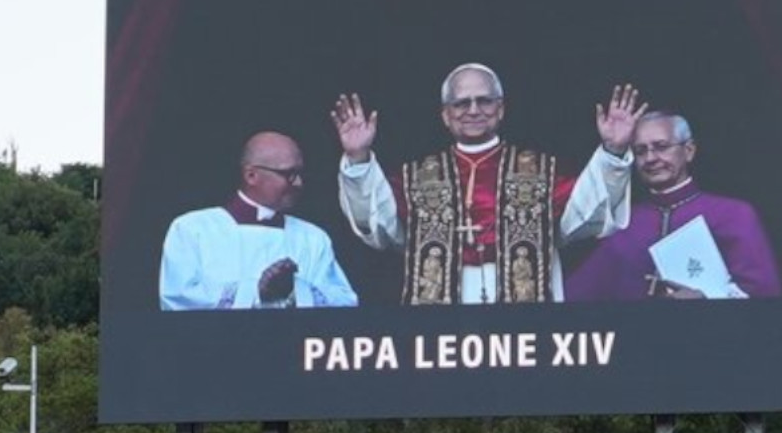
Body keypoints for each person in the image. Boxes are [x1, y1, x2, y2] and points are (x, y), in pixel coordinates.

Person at [331, 67, 638, 304]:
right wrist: (358, 158)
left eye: (484, 101)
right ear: (446, 115)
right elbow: (379, 228)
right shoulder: (415, 177)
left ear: (501, 109)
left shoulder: (545, 172)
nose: (474, 110)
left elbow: (586, 215)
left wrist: (612, 153)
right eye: (462, 103)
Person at [567, 111, 781, 300]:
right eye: (640, 151)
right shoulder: (624, 224)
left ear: (688, 150)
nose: (650, 158)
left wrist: (708, 300)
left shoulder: (734, 215)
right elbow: (576, 296)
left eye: (661, 147)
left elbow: (764, 296)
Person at [161, 131, 358, 310]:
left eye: (299, 174)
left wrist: (295, 290)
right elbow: (177, 300)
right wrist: (256, 291)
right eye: (289, 174)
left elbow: (344, 303)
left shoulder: (313, 238)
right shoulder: (192, 229)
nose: (299, 183)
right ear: (251, 175)